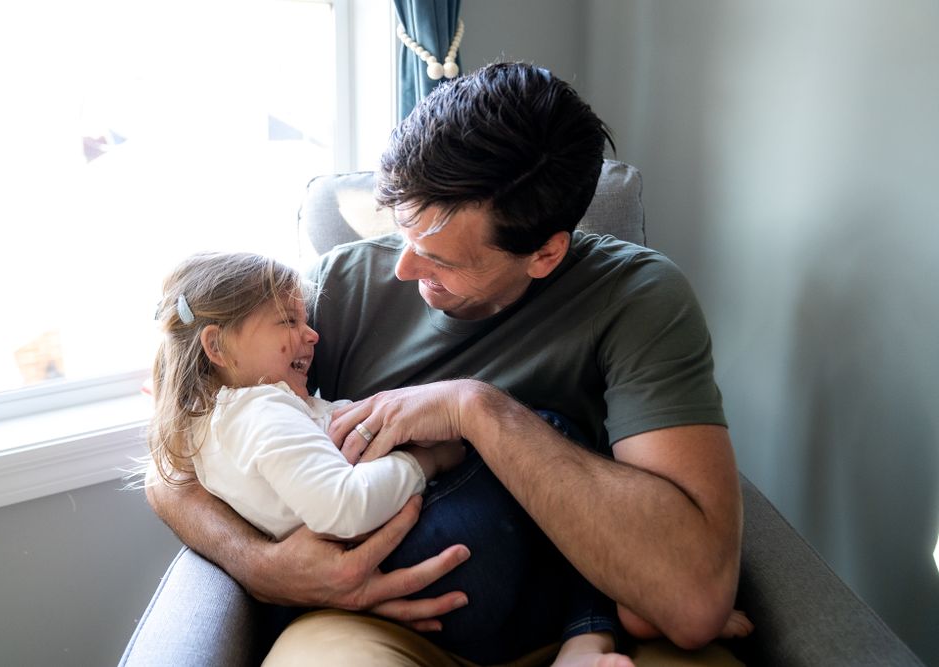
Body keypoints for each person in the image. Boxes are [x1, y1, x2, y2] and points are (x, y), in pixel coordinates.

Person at [146, 62, 748, 665]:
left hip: (576, 618)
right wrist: (263, 567)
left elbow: (692, 599)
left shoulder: (638, 299)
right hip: (381, 623)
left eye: (440, 259)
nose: (403, 269)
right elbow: (171, 464)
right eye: (403, 231)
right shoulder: (342, 288)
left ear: (544, 253)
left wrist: (474, 408)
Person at [149, 250, 635, 666]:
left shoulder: (209, 426)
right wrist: (430, 462)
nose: (312, 334)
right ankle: (593, 625)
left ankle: (583, 624)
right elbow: (342, 508)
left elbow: (335, 425)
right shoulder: (262, 411)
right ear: (217, 345)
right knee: (550, 432)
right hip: (428, 564)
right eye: (289, 321)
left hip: (414, 590)